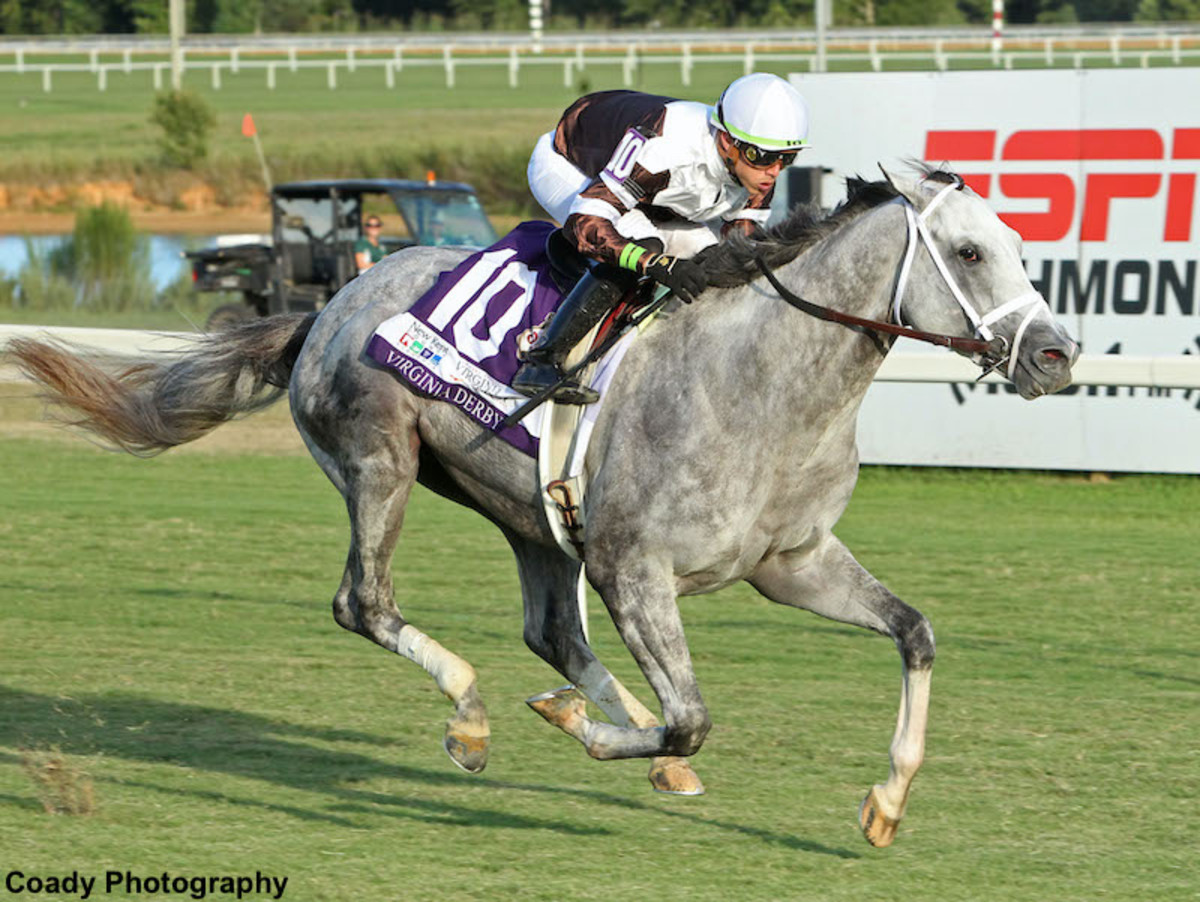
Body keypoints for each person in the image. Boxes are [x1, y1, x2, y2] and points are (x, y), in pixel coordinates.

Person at [512, 72, 810, 404]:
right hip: (571, 166)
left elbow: (738, 252)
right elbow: (587, 222)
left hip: (654, 196)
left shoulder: (759, 174)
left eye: (787, 158)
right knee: (645, 248)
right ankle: (543, 359)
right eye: (763, 157)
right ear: (727, 142)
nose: (774, 171)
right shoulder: (663, 146)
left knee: (713, 262)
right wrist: (655, 264)